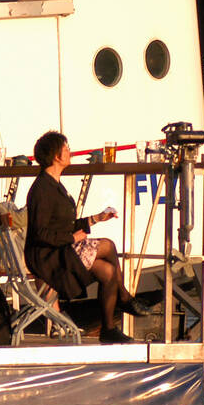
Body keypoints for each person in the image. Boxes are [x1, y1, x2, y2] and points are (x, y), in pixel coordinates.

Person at [26, 131, 148, 344]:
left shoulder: (54, 185)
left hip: (60, 248)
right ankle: (125, 297)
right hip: (48, 257)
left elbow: (62, 225)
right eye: (66, 148)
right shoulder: (42, 189)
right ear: (56, 156)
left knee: (109, 272)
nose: (69, 151)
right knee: (108, 246)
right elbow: (40, 233)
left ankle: (108, 329)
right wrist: (71, 239)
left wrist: (96, 218)